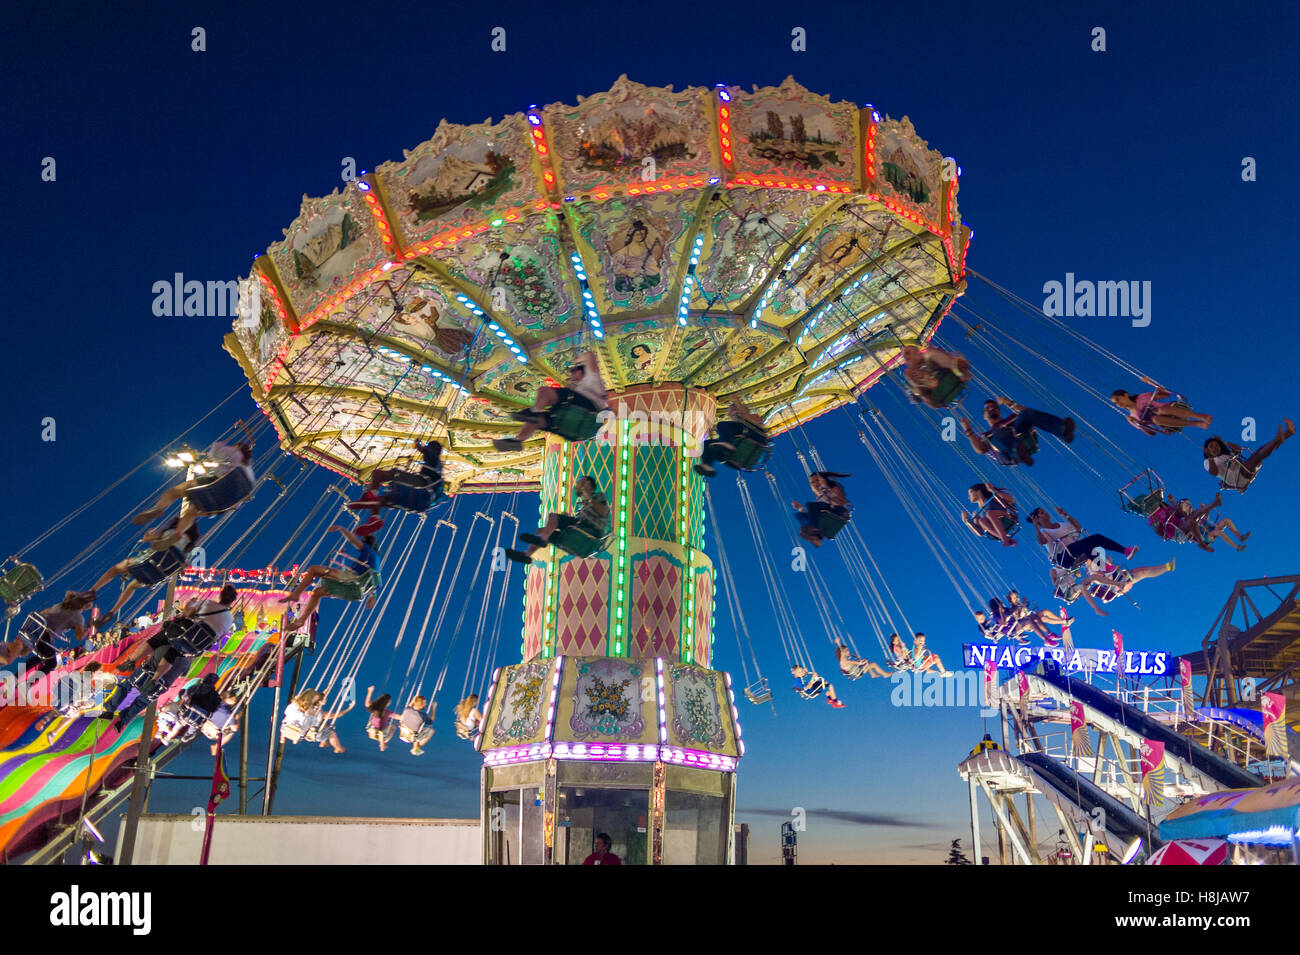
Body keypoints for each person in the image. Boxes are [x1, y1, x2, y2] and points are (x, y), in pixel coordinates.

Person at [99, 585, 239, 731]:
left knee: (129, 682)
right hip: (185, 656)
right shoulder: (228, 621)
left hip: (171, 646)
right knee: (146, 698)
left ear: (221, 595)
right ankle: (124, 720)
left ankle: (111, 705)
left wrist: (190, 605)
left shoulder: (207, 603)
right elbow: (216, 640)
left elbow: (186, 614)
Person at [133, 430, 256, 545]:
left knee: (174, 491)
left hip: (214, 485)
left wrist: (221, 443)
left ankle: (159, 508)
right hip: (225, 504)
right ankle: (178, 534)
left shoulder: (235, 453)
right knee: (191, 512)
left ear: (238, 447)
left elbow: (213, 453)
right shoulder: (250, 476)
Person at [84, 519, 203, 629]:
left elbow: (150, 541)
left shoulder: (173, 532)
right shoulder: (189, 550)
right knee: (132, 586)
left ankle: (92, 590)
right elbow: (183, 568)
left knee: (116, 569)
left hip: (147, 563)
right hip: (156, 576)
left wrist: (148, 536)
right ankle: (113, 612)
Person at [494, 352, 609, 451]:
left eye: (573, 372)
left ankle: (533, 414)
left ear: (580, 371)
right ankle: (517, 440)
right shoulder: (578, 387)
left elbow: (589, 355)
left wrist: (575, 360)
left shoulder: (592, 378)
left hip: (588, 408)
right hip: (580, 428)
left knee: (545, 392)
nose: (571, 376)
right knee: (539, 421)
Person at [282, 526, 381, 631]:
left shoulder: (368, 550)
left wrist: (341, 529)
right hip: (356, 591)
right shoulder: (375, 559)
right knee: (317, 593)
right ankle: (301, 620)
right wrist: (373, 596)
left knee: (313, 569)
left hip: (353, 580)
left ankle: (296, 594)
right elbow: (374, 580)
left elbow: (353, 540)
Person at [505, 476, 609, 563]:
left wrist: (587, 495)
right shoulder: (583, 506)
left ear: (587, 483)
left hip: (592, 532)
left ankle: (543, 539)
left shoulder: (598, 496)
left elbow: (603, 512)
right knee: (546, 531)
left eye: (579, 483)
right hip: (580, 534)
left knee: (554, 517)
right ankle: (526, 554)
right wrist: (548, 528)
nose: (575, 487)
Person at [348, 439, 445, 525]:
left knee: (378, 474)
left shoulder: (434, 458)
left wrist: (418, 444)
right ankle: (375, 519)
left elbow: (429, 452)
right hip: (421, 503)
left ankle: (370, 495)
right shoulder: (438, 467)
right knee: (385, 500)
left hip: (420, 485)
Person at [960, 397, 1076, 466]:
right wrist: (968, 429)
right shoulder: (986, 435)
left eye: (994, 407)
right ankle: (1018, 450)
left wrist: (1008, 402)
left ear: (999, 410)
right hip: (1006, 453)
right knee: (997, 431)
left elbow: (1027, 412)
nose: (991, 409)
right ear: (984, 415)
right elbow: (980, 449)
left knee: (1027, 413)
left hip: (1022, 438)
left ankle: (1062, 430)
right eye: (988, 409)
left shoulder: (1011, 418)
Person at [0, 591, 95, 670]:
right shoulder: (19, 644)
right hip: (43, 636)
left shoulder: (60, 606)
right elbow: (79, 637)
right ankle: (25, 681)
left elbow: (43, 613)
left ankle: (21, 677)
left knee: (42, 656)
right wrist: (88, 628)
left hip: (35, 630)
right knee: (51, 662)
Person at [1028, 506, 1137, 569]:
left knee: (1095, 539)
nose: (1046, 513)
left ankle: (1124, 551)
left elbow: (1078, 527)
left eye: (1044, 511)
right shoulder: (1043, 531)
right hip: (1064, 557)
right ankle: (1105, 568)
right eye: (1042, 513)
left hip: (1076, 551)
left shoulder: (1061, 524)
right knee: (1085, 544)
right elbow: (1042, 541)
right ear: (1037, 519)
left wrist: (1065, 515)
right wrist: (1035, 526)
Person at [1203, 422, 1295, 492]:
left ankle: (1287, 433)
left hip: (1245, 471)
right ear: (1207, 450)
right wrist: (1210, 457)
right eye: (1211, 447)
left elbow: (1239, 449)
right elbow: (1214, 472)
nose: (1215, 448)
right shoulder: (1208, 461)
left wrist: (1223, 441)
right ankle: (1279, 438)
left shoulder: (1227, 454)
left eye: (1217, 445)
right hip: (1238, 478)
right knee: (1258, 455)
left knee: (1259, 453)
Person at [694, 398, 769, 478]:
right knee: (707, 444)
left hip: (756, 436)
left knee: (722, 425)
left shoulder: (747, 418)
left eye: (731, 412)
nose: (730, 415)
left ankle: (727, 444)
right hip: (744, 450)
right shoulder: (736, 428)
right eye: (730, 413)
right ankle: (707, 465)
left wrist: (736, 400)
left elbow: (745, 411)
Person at [1076, 559, 1176, 617]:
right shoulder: (1090, 572)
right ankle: (1168, 567)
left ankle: (1167, 567)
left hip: (1119, 574)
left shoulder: (1097, 559)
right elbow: (1095, 579)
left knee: (1142, 570)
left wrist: (1108, 562)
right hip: (1114, 584)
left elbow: (1110, 561)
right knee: (1142, 572)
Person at [1111, 380, 1212, 434]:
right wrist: (1135, 423)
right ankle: (1196, 424)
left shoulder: (1142, 397)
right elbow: (1151, 433)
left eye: (1118, 400)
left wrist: (1150, 383)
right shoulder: (1132, 416)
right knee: (1155, 419)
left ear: (1125, 395)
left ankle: (1200, 416)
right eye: (1116, 404)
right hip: (1166, 424)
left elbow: (1166, 394)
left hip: (1172, 409)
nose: (1119, 404)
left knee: (1159, 411)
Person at [792, 471, 852, 548]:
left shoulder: (834, 488)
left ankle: (814, 529)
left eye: (817, 480)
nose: (815, 484)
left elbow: (842, 502)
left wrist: (828, 492)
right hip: (827, 514)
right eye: (812, 482)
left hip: (839, 511)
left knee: (810, 505)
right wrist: (800, 508)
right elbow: (813, 513)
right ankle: (816, 537)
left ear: (823, 480)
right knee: (799, 515)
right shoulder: (819, 498)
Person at [901, 344, 971, 408]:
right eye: (904, 357)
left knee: (930, 353)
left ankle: (956, 369)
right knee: (910, 376)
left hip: (950, 376)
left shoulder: (930, 355)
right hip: (934, 396)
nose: (906, 358)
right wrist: (918, 390)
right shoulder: (908, 374)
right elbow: (917, 399)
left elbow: (956, 356)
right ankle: (922, 384)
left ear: (917, 352)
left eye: (907, 353)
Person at [202, 689, 242, 754]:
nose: (235, 702)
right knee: (231, 732)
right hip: (213, 733)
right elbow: (235, 728)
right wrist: (237, 719)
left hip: (204, 727)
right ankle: (216, 746)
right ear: (228, 700)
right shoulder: (229, 714)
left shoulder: (214, 704)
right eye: (234, 700)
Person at [364, 685, 398, 751]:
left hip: (371, 730)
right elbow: (400, 717)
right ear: (387, 703)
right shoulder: (387, 712)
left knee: (380, 723)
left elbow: (367, 703)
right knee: (393, 726)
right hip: (381, 732)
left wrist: (370, 691)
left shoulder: (374, 708)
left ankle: (382, 742)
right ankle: (383, 742)